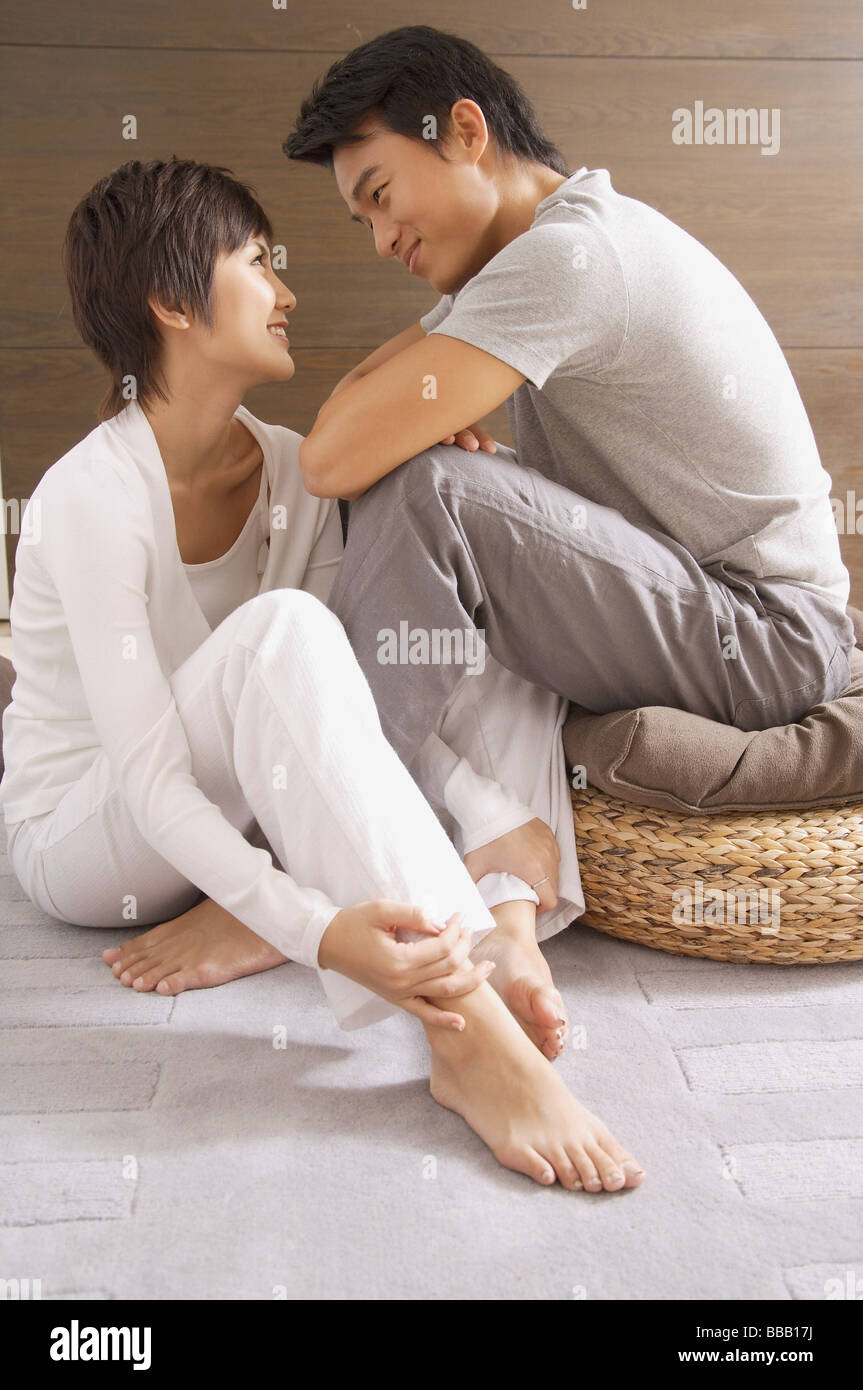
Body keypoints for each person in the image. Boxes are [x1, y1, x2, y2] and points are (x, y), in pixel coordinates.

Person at [0, 157, 644, 1194]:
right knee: (285, 633)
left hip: (238, 801)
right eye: (258, 263)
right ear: (173, 302)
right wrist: (314, 932)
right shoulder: (88, 496)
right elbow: (158, 778)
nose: (286, 291)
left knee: (458, 533)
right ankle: (471, 1030)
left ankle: (498, 907)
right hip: (89, 832)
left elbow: (372, 690)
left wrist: (484, 804)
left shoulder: (299, 471)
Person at [284, 24, 856, 772]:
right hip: (722, 609)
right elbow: (350, 413)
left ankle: (328, 815)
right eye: (365, 222)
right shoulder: (541, 251)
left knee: (434, 491)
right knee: (411, 473)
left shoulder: (567, 260)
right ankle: (350, 800)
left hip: (767, 637)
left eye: (381, 195)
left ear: (463, 131)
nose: (382, 241)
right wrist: (411, 429)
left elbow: (327, 459)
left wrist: (415, 437)